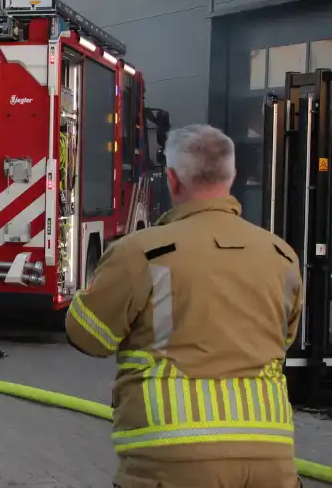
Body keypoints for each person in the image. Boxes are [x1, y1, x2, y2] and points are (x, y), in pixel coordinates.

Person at [65, 124, 305, 488]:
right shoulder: (281, 255)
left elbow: (88, 336)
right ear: (233, 175)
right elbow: (284, 339)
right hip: (270, 455)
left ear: (172, 180)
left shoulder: (140, 252)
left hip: (171, 453)